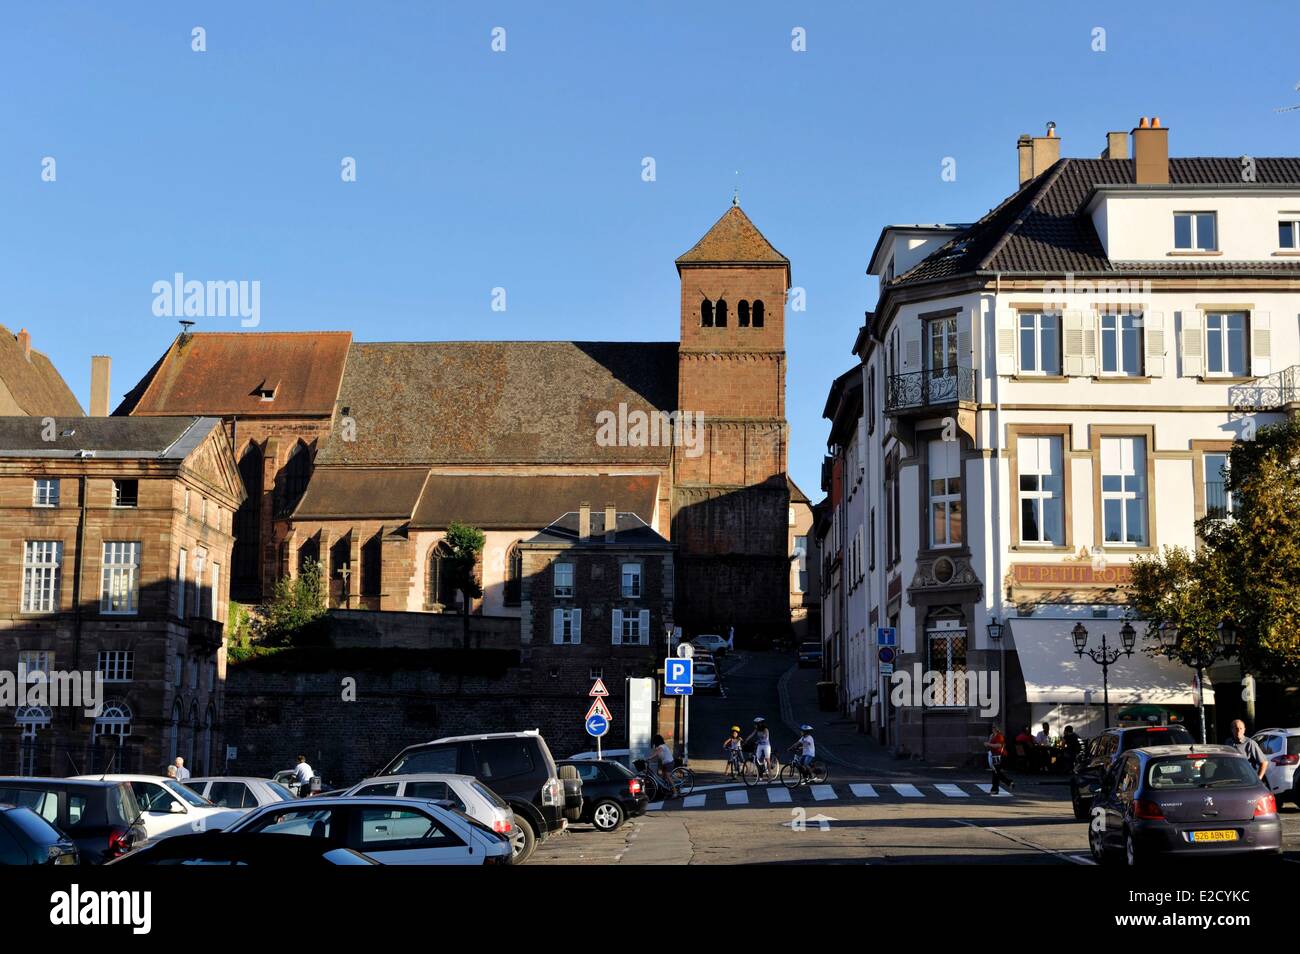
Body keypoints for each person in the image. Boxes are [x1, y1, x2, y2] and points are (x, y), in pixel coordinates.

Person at [985, 725, 1015, 794]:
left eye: (994, 727)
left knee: (996, 772)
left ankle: (1007, 783)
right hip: (993, 755)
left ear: (997, 729)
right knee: (995, 772)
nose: (993, 729)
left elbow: (998, 745)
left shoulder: (999, 736)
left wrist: (988, 744)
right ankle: (995, 788)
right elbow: (990, 743)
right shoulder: (992, 735)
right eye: (992, 727)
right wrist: (988, 744)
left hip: (999, 756)